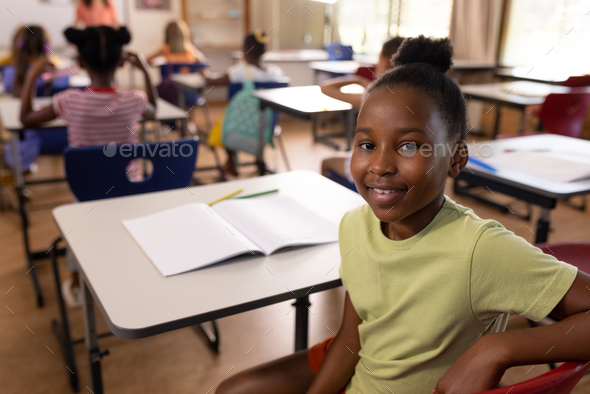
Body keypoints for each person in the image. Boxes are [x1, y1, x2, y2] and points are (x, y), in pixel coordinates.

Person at [215, 36, 590, 394]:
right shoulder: (354, 225)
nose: (379, 165)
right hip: (364, 367)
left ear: (456, 158)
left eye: (409, 145)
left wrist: (498, 349)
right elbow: (352, 338)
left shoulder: (480, 250)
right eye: (366, 144)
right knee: (230, 388)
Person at [20, 26, 157, 308]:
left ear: (80, 63)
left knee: (79, 229)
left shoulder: (69, 100)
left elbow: (26, 118)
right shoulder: (135, 99)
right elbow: (155, 109)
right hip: (131, 189)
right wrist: (144, 70)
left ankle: (75, 282)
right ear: (122, 61)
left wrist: (34, 74)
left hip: (88, 191)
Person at [320, 36, 404, 185]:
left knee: (326, 163)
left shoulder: (372, 93)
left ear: (384, 61)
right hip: (402, 168)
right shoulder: (416, 96)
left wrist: (358, 80)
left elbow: (325, 88)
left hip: (373, 167)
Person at [204, 30, 285, 177]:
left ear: (245, 50)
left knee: (222, 124)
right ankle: (260, 159)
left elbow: (212, 82)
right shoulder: (275, 73)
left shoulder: (239, 71)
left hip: (239, 123)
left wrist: (203, 74)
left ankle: (231, 161)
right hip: (267, 124)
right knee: (257, 117)